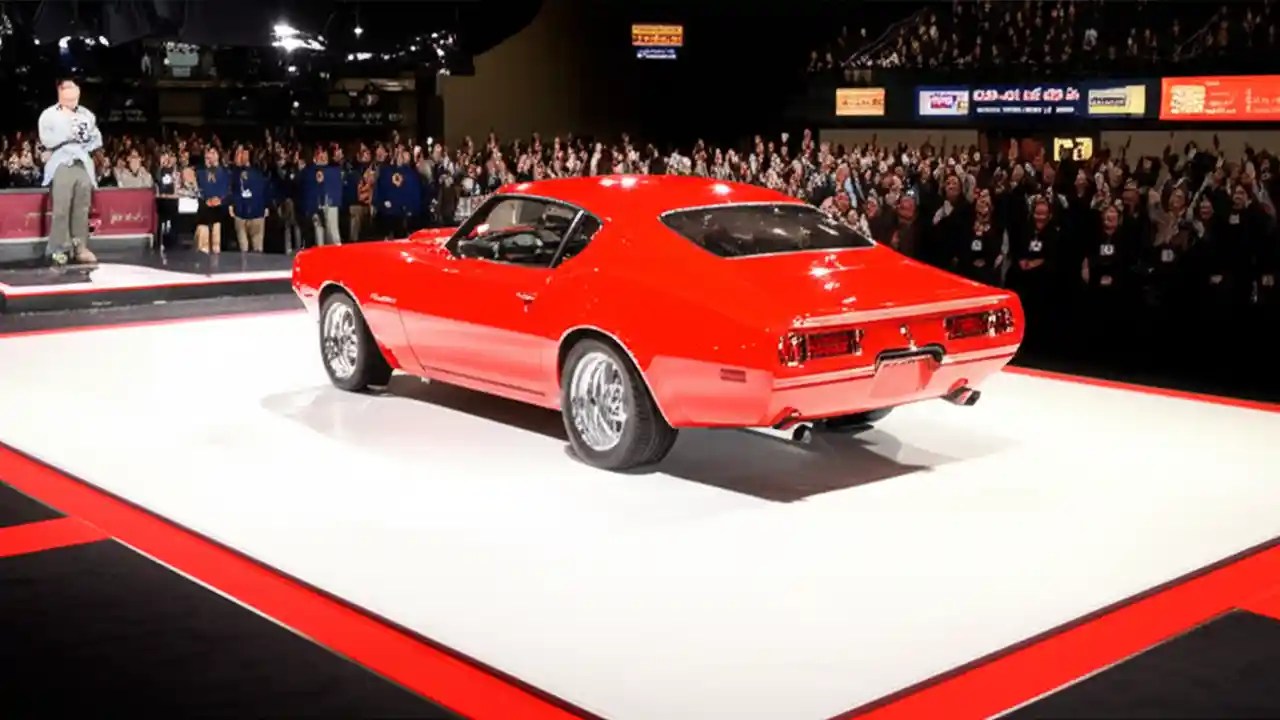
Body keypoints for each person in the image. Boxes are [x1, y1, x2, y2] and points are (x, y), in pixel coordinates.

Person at [38, 76, 102, 267]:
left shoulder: (87, 115)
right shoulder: (49, 115)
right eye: (67, 88)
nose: (71, 91)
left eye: (74, 87)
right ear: (60, 91)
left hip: (82, 162)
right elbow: (47, 139)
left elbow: (95, 138)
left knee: (82, 208)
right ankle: (59, 248)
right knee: (62, 208)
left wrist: (83, 143)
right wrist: (69, 136)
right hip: (61, 162)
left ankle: (80, 246)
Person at [230, 145, 269, 253]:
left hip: (257, 215)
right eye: (239, 153)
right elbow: (231, 190)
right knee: (243, 250)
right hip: (240, 215)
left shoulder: (259, 172)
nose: (241, 156)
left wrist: (266, 206)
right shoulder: (233, 173)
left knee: (257, 249)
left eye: (243, 153)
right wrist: (232, 205)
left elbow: (265, 189)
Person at [195, 146, 230, 254]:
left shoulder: (225, 173)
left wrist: (220, 200)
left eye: (213, 153)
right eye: (208, 153)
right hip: (204, 213)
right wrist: (205, 200)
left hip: (219, 213)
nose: (210, 155)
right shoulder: (200, 173)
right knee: (203, 246)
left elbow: (228, 190)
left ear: (218, 156)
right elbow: (197, 190)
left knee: (216, 246)